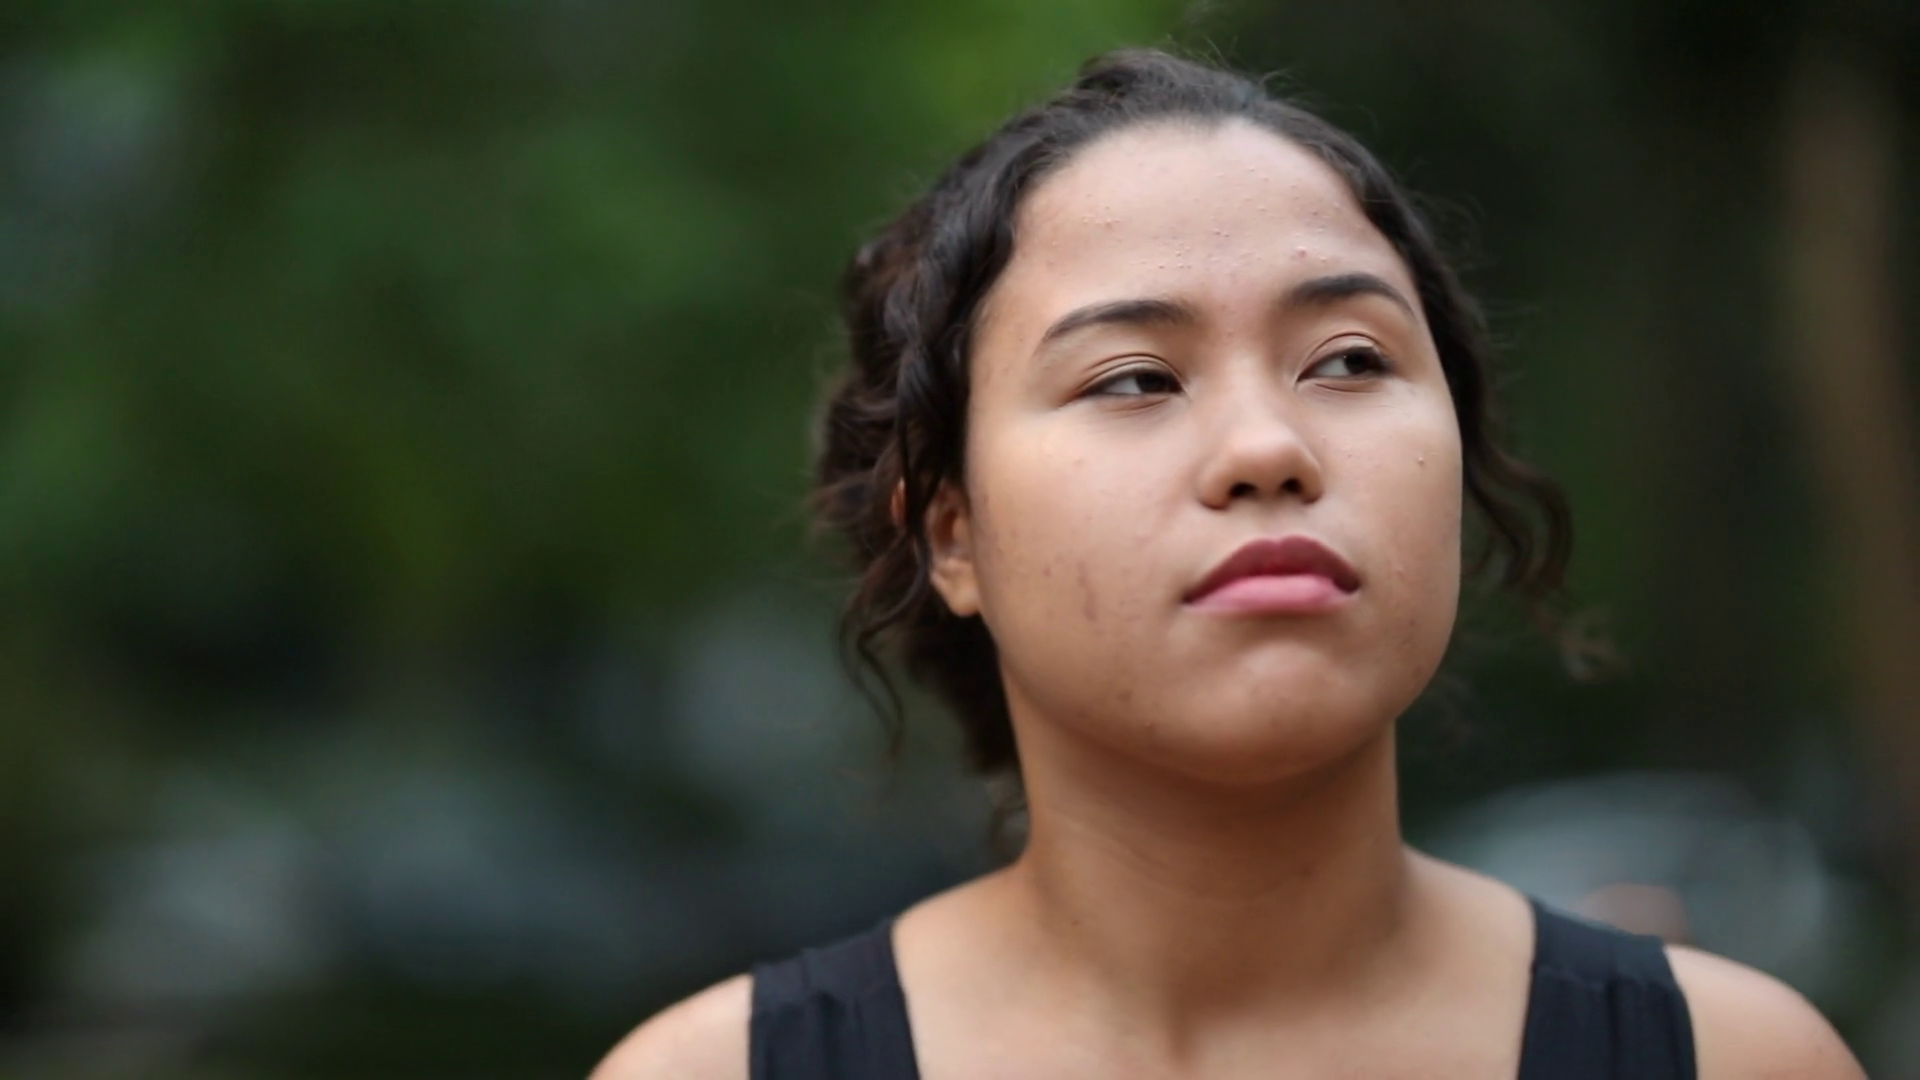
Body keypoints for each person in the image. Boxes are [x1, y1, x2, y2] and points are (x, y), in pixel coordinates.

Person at [594, 49, 1863, 1080]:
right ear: (952, 532)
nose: (1268, 447)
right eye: (1135, 378)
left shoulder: (1733, 1060)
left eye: (1351, 360)